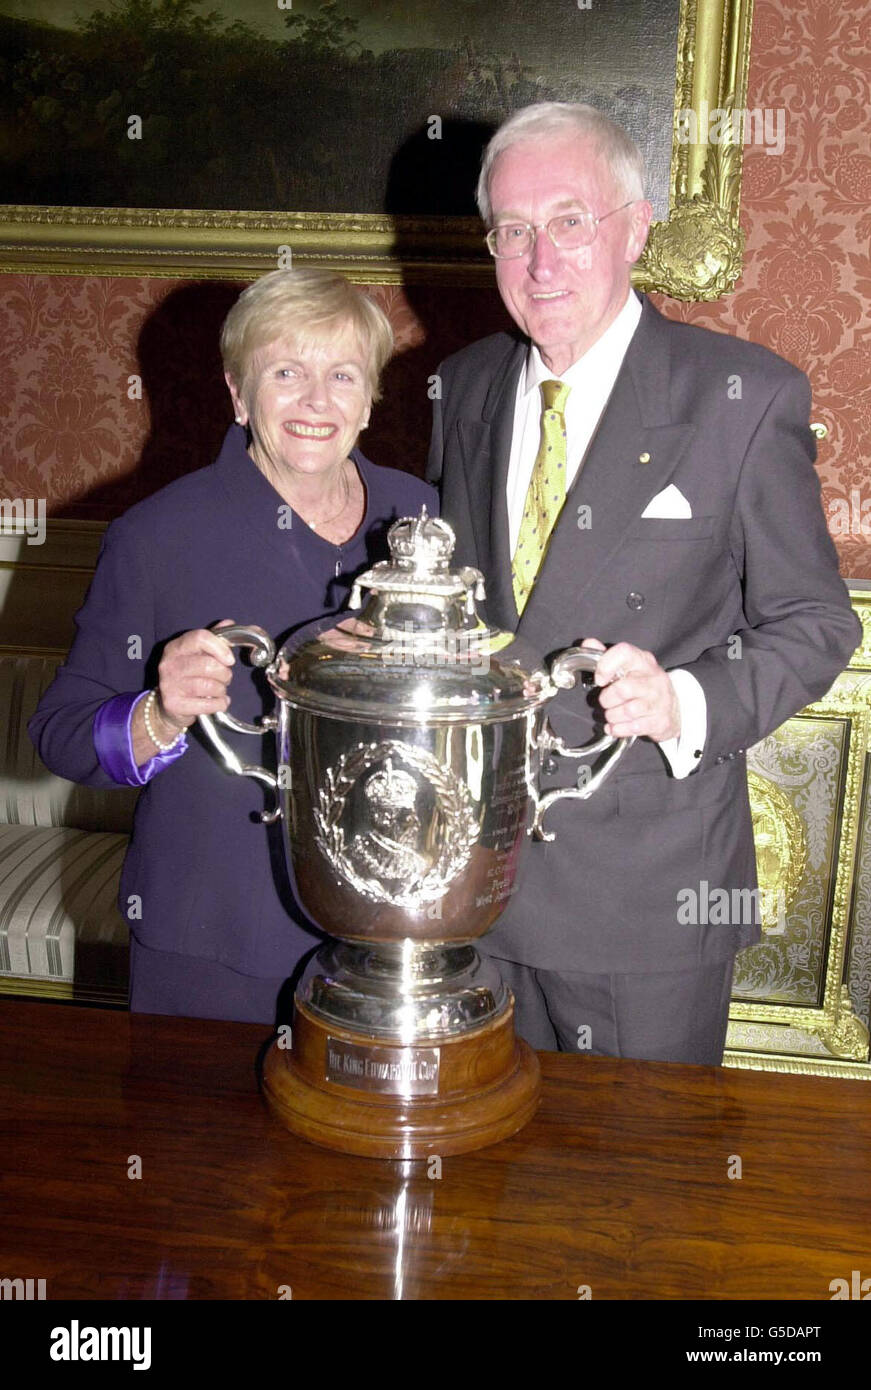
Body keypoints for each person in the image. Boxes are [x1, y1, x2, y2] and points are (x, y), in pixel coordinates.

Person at [427, 102, 861, 1064]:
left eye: (570, 222)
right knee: (484, 1185)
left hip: (642, 898)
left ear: (635, 227)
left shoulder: (740, 398)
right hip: (471, 882)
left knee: (635, 1202)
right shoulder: (461, 387)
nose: (540, 260)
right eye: (512, 231)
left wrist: (683, 702)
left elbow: (813, 621)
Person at [30, 268, 436, 1024]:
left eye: (342, 374)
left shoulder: (421, 517)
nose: (317, 401)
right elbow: (59, 732)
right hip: (215, 942)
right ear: (238, 394)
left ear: (370, 396)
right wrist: (157, 713)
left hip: (387, 935)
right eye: (286, 373)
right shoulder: (156, 536)